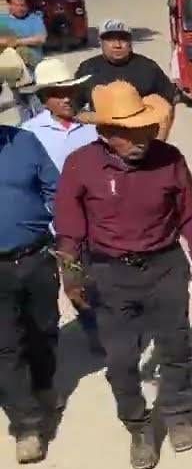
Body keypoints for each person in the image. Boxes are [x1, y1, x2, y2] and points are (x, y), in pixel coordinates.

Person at [53, 81, 192, 469]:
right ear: (105, 134)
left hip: (165, 267)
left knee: (175, 347)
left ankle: (176, 414)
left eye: (144, 128)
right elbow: (70, 229)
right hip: (108, 274)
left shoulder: (170, 159)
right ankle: (138, 426)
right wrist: (71, 277)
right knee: (122, 358)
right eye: (128, 133)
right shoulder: (81, 164)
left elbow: (191, 215)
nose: (140, 139)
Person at [19, 58, 103, 356]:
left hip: (101, 220)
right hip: (61, 228)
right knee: (74, 284)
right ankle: (93, 329)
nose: (66, 98)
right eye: (57, 92)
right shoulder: (28, 134)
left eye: (70, 90)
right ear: (43, 99)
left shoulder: (93, 127)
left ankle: (117, 328)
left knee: (107, 277)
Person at [0, 118, 60, 464]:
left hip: (36, 256)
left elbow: (54, 188)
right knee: (5, 347)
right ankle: (26, 426)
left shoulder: (25, 142)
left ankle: (43, 388)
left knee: (43, 330)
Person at [74, 19, 179, 140]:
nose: (117, 45)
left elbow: (168, 106)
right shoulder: (87, 68)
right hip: (102, 138)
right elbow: (74, 107)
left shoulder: (148, 67)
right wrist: (91, 119)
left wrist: (159, 142)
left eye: (123, 39)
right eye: (110, 40)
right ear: (101, 42)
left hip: (141, 139)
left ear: (130, 43)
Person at [0, 0, 48, 122]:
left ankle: (44, 125)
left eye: (23, 5)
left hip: (35, 66)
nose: (21, 8)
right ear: (9, 5)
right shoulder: (1, 20)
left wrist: (16, 41)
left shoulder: (35, 18)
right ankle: (28, 128)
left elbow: (41, 38)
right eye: (17, 5)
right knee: (22, 103)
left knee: (38, 100)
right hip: (13, 69)